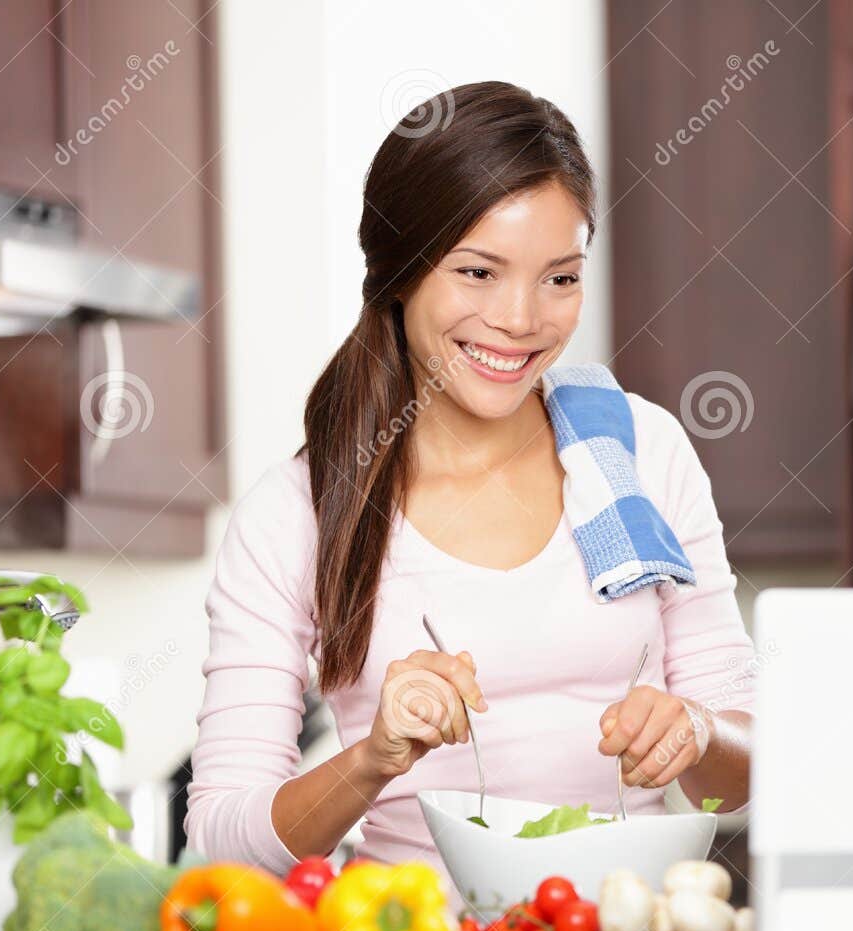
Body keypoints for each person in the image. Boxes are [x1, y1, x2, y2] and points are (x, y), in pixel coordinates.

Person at [188, 81, 754, 874]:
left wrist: (699, 732)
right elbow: (222, 844)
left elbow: (751, 765)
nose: (522, 319)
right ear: (399, 270)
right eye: (479, 272)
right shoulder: (299, 513)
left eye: (560, 277)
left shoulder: (638, 451)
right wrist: (372, 759)